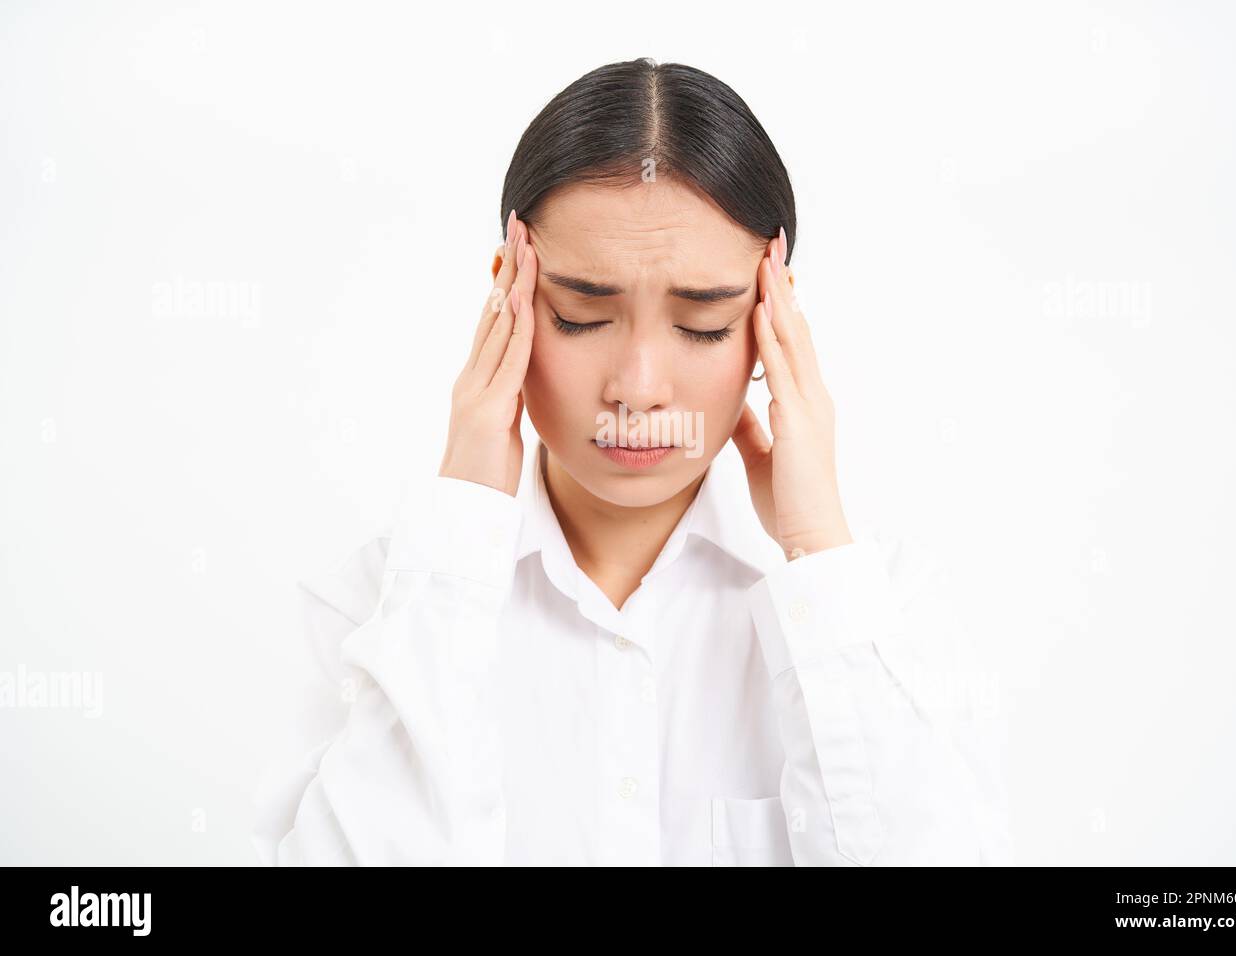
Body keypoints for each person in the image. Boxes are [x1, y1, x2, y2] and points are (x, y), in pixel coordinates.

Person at [251, 57, 1014, 866]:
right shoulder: (376, 613)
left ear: (772, 315)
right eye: (581, 316)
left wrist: (817, 545)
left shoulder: (880, 618)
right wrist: (459, 525)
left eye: (704, 326)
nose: (640, 389)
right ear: (510, 288)